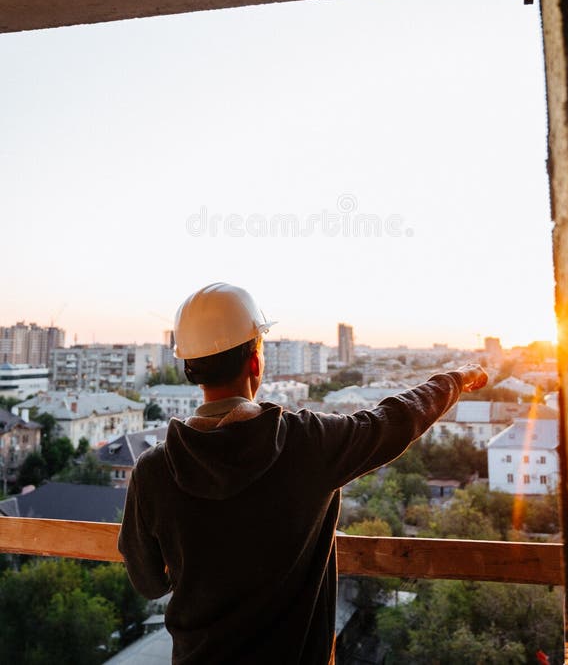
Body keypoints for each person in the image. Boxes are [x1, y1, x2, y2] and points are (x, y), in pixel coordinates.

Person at [118, 282, 487, 665]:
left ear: (189, 369)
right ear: (256, 362)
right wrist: (453, 380)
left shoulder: (153, 471)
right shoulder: (308, 443)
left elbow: (148, 582)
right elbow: (392, 421)